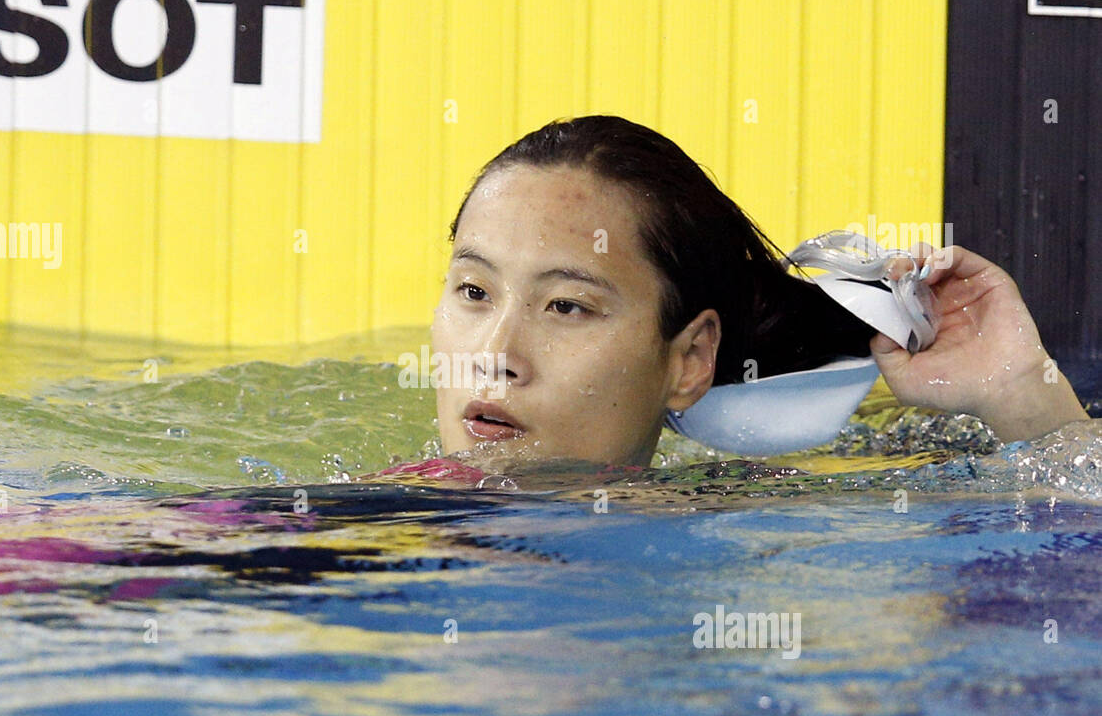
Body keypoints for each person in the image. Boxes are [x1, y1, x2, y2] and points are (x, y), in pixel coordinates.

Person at [370, 115, 1090, 481]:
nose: (495, 356)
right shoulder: (352, 528)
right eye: (473, 290)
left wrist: (1021, 391)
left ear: (689, 361)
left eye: (566, 306)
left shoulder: (763, 517)